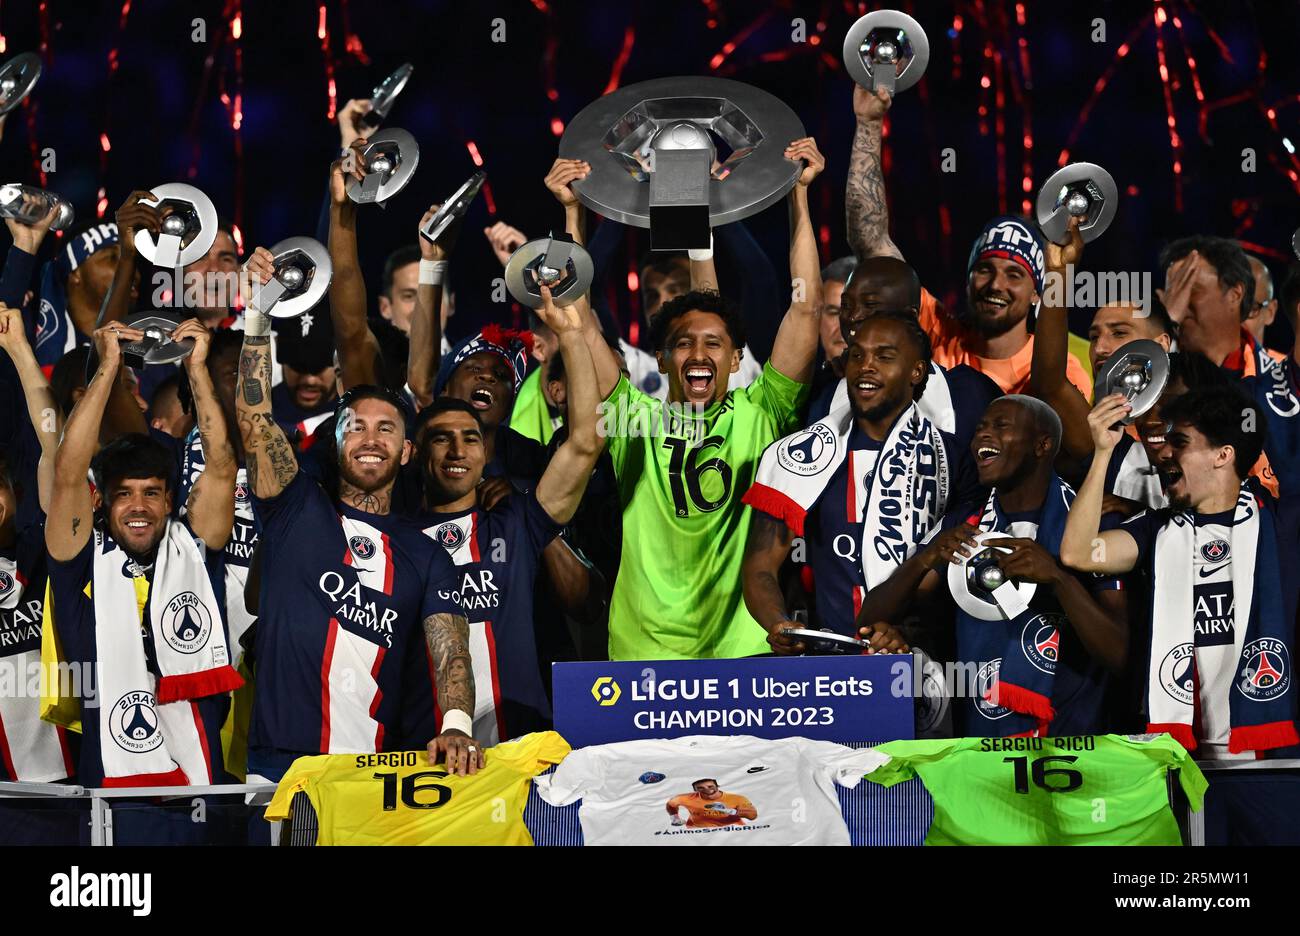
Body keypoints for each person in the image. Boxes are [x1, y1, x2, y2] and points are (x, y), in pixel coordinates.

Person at [550, 137, 826, 660]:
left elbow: (806, 309)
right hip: (640, 652)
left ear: (735, 358)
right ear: (661, 359)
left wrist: (800, 197)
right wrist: (572, 213)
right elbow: (578, 320)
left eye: (713, 343)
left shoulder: (761, 410)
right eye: (683, 343)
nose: (698, 353)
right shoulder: (632, 419)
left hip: (742, 648)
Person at [234, 304, 477, 782]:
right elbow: (255, 416)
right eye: (356, 427)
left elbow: (451, 649)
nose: (371, 439)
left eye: (386, 428)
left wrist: (456, 726)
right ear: (336, 442)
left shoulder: (427, 554)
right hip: (280, 769)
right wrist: (258, 317)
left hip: (372, 774)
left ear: (407, 451)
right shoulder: (293, 507)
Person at [857, 396, 1129, 737]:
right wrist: (926, 559)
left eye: (1001, 427)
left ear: (1042, 445)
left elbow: (1119, 655)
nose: (983, 437)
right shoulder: (966, 522)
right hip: (983, 743)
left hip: (1074, 740)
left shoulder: (1094, 521)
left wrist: (1059, 579)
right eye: (981, 428)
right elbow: (870, 620)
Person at [46, 319, 242, 786]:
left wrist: (197, 369)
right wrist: (109, 367)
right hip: (113, 791)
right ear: (101, 501)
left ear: (170, 501)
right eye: (124, 494)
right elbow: (69, 473)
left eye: (152, 493)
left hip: (201, 781)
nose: (138, 507)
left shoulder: (192, 550)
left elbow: (221, 467)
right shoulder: (81, 562)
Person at [1061, 388, 1300, 758]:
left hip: (1270, 747)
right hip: (1184, 752)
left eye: (1181, 442)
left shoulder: (1281, 521)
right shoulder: (1155, 529)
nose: (1164, 453)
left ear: (1223, 455)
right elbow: (1077, 553)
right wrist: (1103, 454)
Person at [414, 285, 604, 742]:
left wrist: (573, 336)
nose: (486, 379)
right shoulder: (399, 512)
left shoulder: (526, 491)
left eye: (500, 376)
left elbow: (586, 439)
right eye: (473, 368)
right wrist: (432, 267)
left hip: (523, 711)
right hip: (425, 724)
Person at [742, 311, 977, 652]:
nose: (866, 366)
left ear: (917, 371)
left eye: (884, 356)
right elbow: (760, 566)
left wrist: (905, 634)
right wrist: (778, 620)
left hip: (920, 668)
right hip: (829, 672)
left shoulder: (953, 460)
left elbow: (947, 577)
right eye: (857, 355)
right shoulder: (802, 456)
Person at [845, 85, 1091, 398]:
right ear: (968, 278)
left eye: (1014, 274)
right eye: (985, 269)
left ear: (1036, 294)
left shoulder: (1059, 370)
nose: (996, 284)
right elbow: (870, 243)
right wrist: (868, 123)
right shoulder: (934, 332)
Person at [809, 256, 1003, 448]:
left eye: (871, 306)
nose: (852, 317)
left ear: (911, 316)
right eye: (846, 306)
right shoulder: (823, 389)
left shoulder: (971, 393)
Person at [0, 305, 71, 781]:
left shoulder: (44, 550)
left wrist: (19, 350)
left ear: (16, 493)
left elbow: (58, 453)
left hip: (68, 783)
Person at [666, 779, 757, 828]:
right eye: (701, 788)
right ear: (695, 790)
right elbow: (671, 803)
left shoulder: (737, 798)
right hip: (696, 833)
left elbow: (752, 816)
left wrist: (728, 810)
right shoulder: (687, 798)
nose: (707, 789)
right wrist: (675, 818)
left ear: (717, 786)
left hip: (733, 832)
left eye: (710, 786)